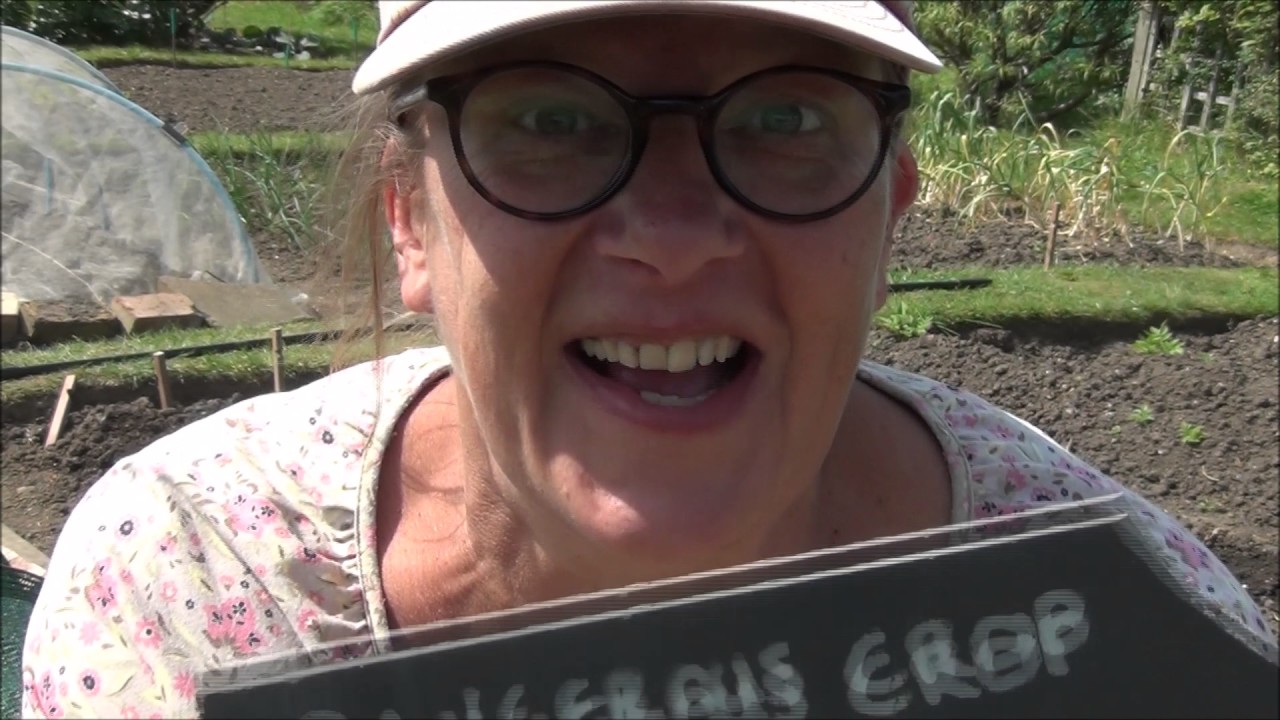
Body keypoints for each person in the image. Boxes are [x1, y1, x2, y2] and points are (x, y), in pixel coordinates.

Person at [20, 1, 1276, 717]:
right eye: (550, 121)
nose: (672, 241)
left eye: (784, 117)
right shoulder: (196, 585)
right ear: (412, 222)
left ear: (887, 212)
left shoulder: (1106, 615)